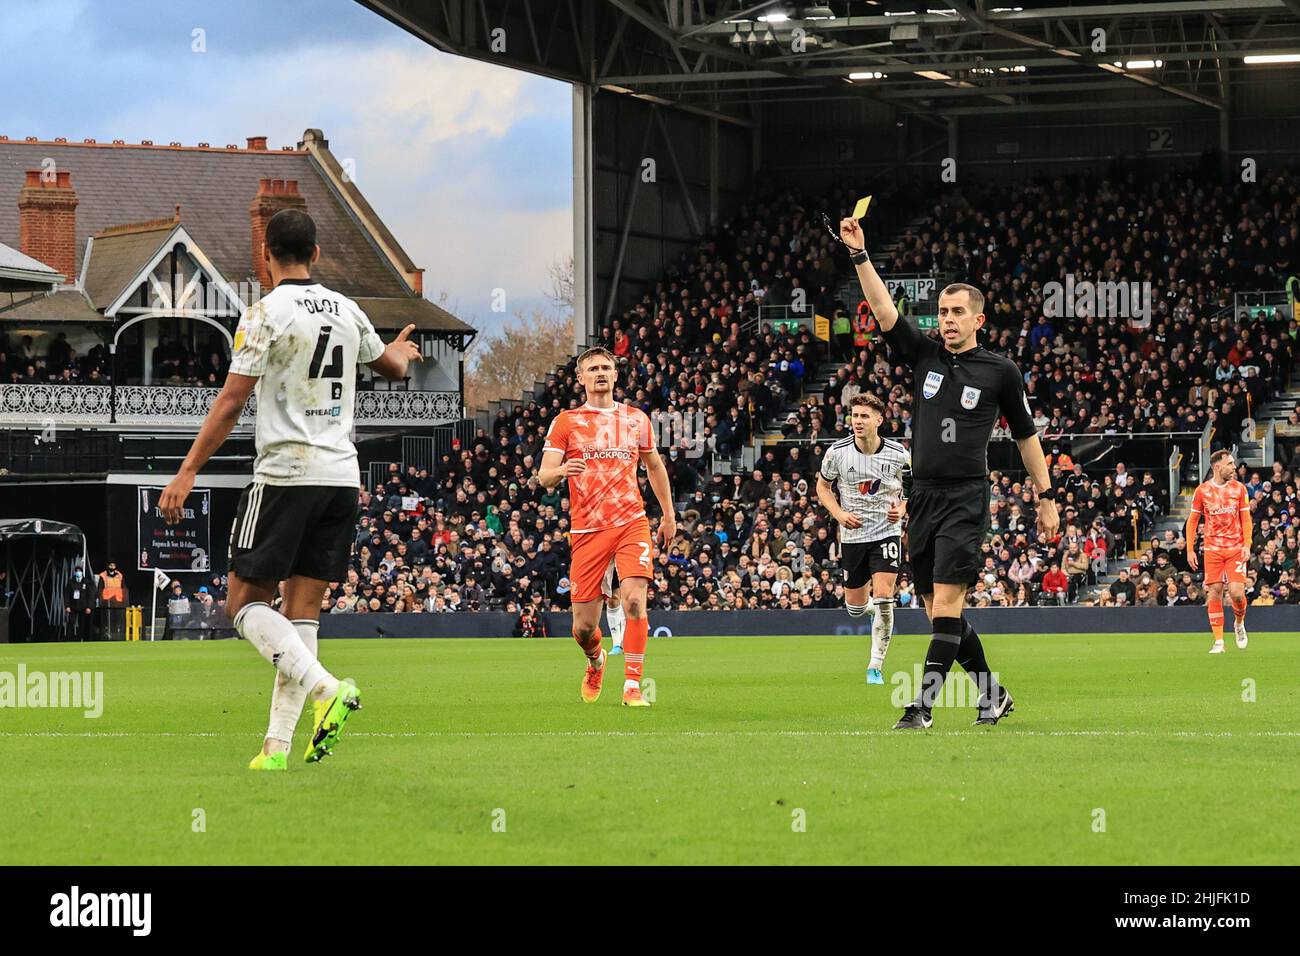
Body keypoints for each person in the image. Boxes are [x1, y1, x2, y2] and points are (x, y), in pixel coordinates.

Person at [159, 206, 420, 770]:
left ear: (266, 256)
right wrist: (404, 350)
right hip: (342, 478)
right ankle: (276, 748)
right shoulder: (349, 310)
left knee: (242, 605)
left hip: (285, 475)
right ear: (317, 253)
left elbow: (231, 400)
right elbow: (393, 367)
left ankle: (328, 690)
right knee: (302, 615)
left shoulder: (264, 313)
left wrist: (187, 470)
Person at [843, 213, 1059, 729]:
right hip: (921, 498)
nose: (948, 320)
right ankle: (994, 694)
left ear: (979, 319)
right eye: (942, 312)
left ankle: (922, 707)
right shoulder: (925, 356)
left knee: (945, 604)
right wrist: (860, 254)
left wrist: (1046, 497)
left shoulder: (1000, 371)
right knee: (939, 613)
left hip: (965, 495)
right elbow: (882, 308)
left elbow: (1028, 438)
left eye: (958, 312)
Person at [536, 347, 676, 708]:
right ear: (580, 378)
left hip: (631, 522)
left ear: (615, 376)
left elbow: (655, 466)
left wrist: (669, 515)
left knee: (633, 600)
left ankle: (632, 686)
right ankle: (596, 659)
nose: (600, 373)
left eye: (606, 368)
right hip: (587, 531)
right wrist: (561, 471)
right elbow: (544, 475)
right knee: (583, 628)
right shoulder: (566, 421)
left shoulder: (635, 419)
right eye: (593, 368)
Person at [816, 392, 910, 684]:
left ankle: (875, 666)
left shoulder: (899, 454)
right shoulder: (837, 452)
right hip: (853, 536)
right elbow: (822, 487)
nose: (857, 421)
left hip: (886, 533)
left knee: (883, 596)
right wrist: (839, 514)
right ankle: (873, 611)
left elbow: (914, 490)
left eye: (864, 416)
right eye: (854, 415)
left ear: (879, 420)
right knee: (855, 608)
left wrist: (902, 509)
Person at [1187, 449, 1252, 654]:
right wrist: (1190, 549)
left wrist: (1247, 544)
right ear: (1217, 467)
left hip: (1235, 548)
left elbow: (1246, 520)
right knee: (1214, 591)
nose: (1234, 467)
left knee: (1236, 593)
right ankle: (1219, 642)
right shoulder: (1202, 491)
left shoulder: (1239, 489)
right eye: (1230, 464)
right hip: (1213, 549)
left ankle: (1239, 623)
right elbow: (1192, 521)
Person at [65, 567, 95, 641]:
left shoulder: (87, 582)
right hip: (73, 606)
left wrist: (89, 607)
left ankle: (80, 639)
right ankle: (68, 639)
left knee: (82, 624)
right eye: (77, 571)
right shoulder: (71, 582)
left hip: (83, 606)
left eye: (79, 571)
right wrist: (67, 605)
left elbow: (90, 595)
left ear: (82, 572)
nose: (78, 572)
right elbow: (67, 595)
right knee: (71, 623)